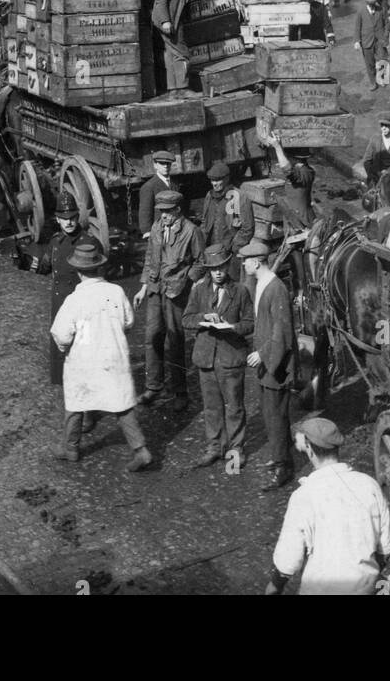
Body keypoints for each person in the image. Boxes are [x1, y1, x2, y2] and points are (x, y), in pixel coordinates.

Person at [265, 416, 390, 595]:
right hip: (365, 586)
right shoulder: (369, 484)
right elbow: (387, 545)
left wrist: (275, 587)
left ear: (309, 449)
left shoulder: (303, 496)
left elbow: (288, 561)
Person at [51, 241, 152, 471]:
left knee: (76, 403)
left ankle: (71, 447)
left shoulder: (74, 300)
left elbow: (61, 334)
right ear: (99, 268)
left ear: (78, 272)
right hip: (113, 357)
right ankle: (141, 450)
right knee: (121, 404)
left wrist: (64, 348)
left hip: (83, 361)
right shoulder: (115, 292)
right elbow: (128, 322)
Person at [183, 243, 254, 469]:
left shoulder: (241, 291)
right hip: (206, 357)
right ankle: (214, 447)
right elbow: (186, 319)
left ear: (227, 265)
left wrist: (232, 327)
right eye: (213, 268)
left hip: (230, 357)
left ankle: (235, 452)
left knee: (234, 406)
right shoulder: (199, 290)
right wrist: (203, 318)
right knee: (211, 407)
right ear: (207, 269)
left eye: (221, 267)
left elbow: (250, 323)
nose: (217, 272)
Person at [134, 189, 205, 411]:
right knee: (152, 337)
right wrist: (143, 287)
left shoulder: (192, 232)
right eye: (160, 211)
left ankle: (180, 391)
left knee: (175, 341)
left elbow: (201, 262)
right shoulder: (157, 227)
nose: (163, 216)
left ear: (177, 210)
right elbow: (149, 258)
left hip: (176, 292)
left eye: (167, 212)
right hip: (156, 289)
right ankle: (153, 386)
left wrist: (186, 282)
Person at [239, 237, 298, 492]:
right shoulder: (261, 283)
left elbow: (281, 332)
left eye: (245, 262)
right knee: (269, 414)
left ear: (255, 262)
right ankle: (278, 457)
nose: (242, 265)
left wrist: (262, 354)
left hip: (277, 365)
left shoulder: (276, 289)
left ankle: (283, 467)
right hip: (267, 364)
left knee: (276, 417)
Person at [23, 191, 86, 384]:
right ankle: (63, 380)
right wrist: (23, 261)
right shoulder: (55, 242)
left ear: (77, 217)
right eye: (64, 219)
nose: (69, 223)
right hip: (59, 302)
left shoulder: (88, 243)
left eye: (72, 218)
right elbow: (44, 267)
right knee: (60, 340)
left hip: (80, 302)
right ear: (57, 220)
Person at [151, 0, 203, 91]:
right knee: (182, 53)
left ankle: (173, 89)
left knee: (172, 53)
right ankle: (184, 89)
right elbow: (161, 0)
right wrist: (165, 21)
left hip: (177, 17)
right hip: (168, 19)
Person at [200, 161, 243, 256]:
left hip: (228, 248)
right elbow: (204, 221)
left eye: (218, 180)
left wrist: (234, 247)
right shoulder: (209, 196)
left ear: (226, 179)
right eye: (212, 180)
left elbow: (247, 228)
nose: (214, 184)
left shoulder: (236, 196)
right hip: (211, 247)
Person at [354, 0, 390, 93]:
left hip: (380, 39)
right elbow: (357, 27)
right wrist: (357, 41)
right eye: (371, 4)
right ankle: (373, 82)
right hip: (366, 40)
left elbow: (387, 23)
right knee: (369, 63)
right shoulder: (361, 11)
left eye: (374, 3)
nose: (373, 6)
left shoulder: (381, 10)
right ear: (367, 3)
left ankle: (382, 79)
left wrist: (386, 36)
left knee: (382, 59)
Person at [137, 149, 176, 237]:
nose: (166, 166)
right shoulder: (149, 186)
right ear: (155, 165)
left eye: (168, 164)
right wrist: (147, 232)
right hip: (159, 230)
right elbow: (145, 211)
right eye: (162, 163)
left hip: (175, 229)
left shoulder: (174, 184)